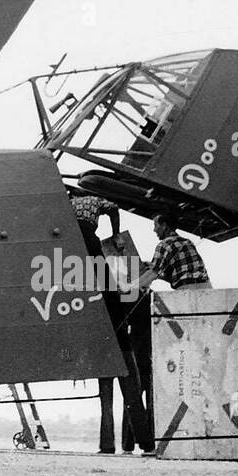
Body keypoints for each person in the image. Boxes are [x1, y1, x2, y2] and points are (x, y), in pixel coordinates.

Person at [67, 192, 153, 455]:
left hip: (104, 345)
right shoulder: (118, 293)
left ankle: (107, 446)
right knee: (133, 396)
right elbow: (114, 207)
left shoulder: (70, 203)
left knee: (106, 400)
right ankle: (147, 444)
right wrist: (116, 233)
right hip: (122, 345)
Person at [137, 215, 212, 291]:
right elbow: (182, 274)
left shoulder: (164, 244)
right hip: (207, 287)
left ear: (164, 226)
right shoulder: (187, 242)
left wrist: (131, 286)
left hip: (187, 289)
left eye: (156, 225)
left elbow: (152, 273)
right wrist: (159, 276)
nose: (154, 230)